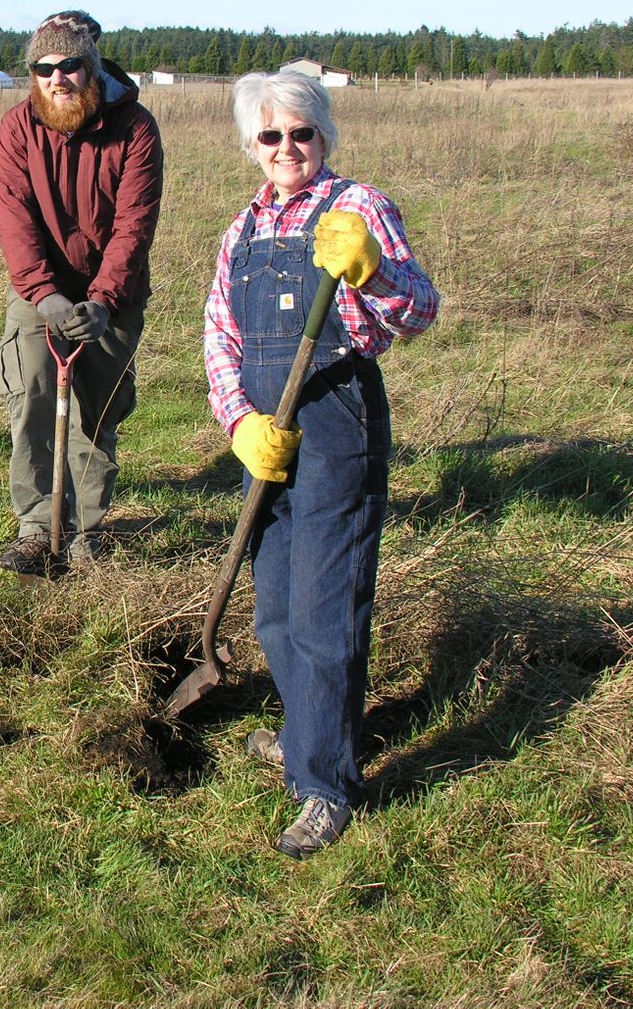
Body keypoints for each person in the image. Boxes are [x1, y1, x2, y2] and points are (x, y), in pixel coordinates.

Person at [204, 71, 440, 858]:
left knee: (324, 608)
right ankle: (304, 729)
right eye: (270, 137)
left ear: (323, 136)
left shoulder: (358, 206)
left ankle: (325, 785)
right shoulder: (239, 230)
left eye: (301, 133)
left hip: (337, 421)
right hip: (266, 436)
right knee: (273, 606)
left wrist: (374, 271)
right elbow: (220, 336)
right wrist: (238, 422)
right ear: (251, 147)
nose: (287, 149)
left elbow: (421, 311)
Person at [0, 10, 162, 574]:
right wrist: (44, 295)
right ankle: (39, 524)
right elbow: (16, 220)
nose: (56, 78)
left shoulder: (135, 128)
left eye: (69, 66)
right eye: (43, 68)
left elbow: (133, 225)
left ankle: (88, 529)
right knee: (35, 393)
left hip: (111, 294)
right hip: (40, 290)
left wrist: (104, 300)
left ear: (91, 68)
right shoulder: (18, 128)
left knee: (97, 408)